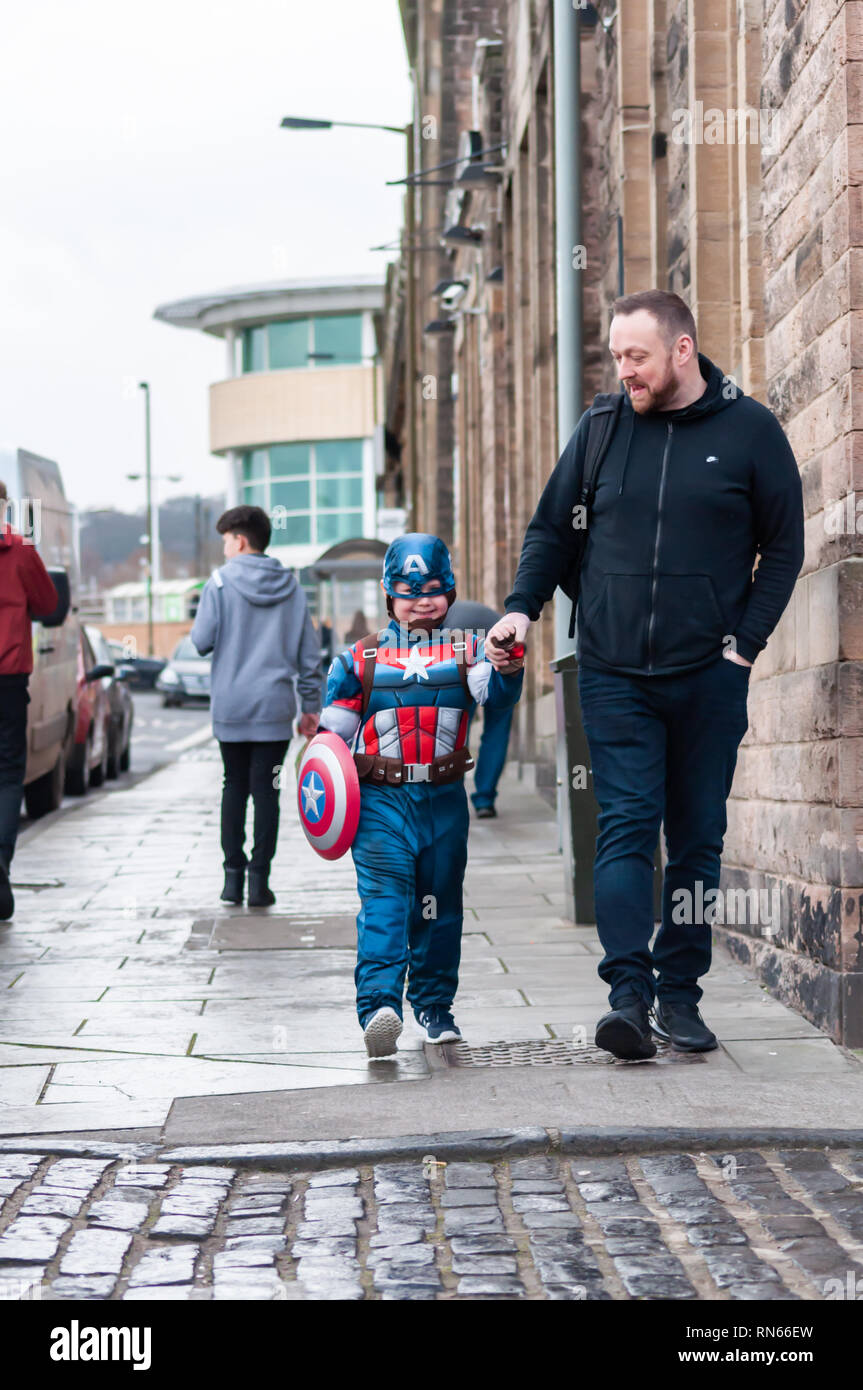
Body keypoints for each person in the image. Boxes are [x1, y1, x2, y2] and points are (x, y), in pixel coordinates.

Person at [487, 290, 804, 1060]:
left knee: (695, 839)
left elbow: (784, 549)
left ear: (682, 350)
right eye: (615, 356)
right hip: (613, 671)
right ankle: (625, 997)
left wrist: (742, 649)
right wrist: (520, 609)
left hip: (707, 675)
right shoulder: (600, 431)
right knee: (626, 827)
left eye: (637, 356)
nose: (623, 370)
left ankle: (679, 995)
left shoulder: (749, 432)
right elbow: (549, 532)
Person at [319, 533, 524, 1058]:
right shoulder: (356, 661)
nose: (422, 599)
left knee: (439, 908)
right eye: (409, 591)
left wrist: (508, 665)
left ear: (449, 593)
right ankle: (380, 1007)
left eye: (433, 589)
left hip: (443, 799)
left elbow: (497, 694)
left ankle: (434, 1007)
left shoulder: (472, 652)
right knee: (386, 904)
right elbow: (329, 746)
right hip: (379, 802)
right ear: (389, 595)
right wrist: (326, 807)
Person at [191, 505, 321, 908]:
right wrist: (311, 707)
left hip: (232, 707)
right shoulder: (292, 587)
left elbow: (200, 641)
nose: (225, 550)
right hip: (275, 709)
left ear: (240, 540)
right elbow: (309, 656)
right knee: (268, 791)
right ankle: (259, 883)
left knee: (234, 786)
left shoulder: (219, 584)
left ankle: (232, 879)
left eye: (226, 542)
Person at [0, 480, 59, 920]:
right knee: (7, 773)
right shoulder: (20, 552)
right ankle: (0, 868)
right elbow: (48, 603)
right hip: (8, 679)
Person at [447, 597, 514, 819]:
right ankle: (485, 799)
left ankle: (451, 794)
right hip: (503, 647)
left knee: (455, 731)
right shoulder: (480, 612)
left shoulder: (436, 619)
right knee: (497, 729)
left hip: (463, 654)